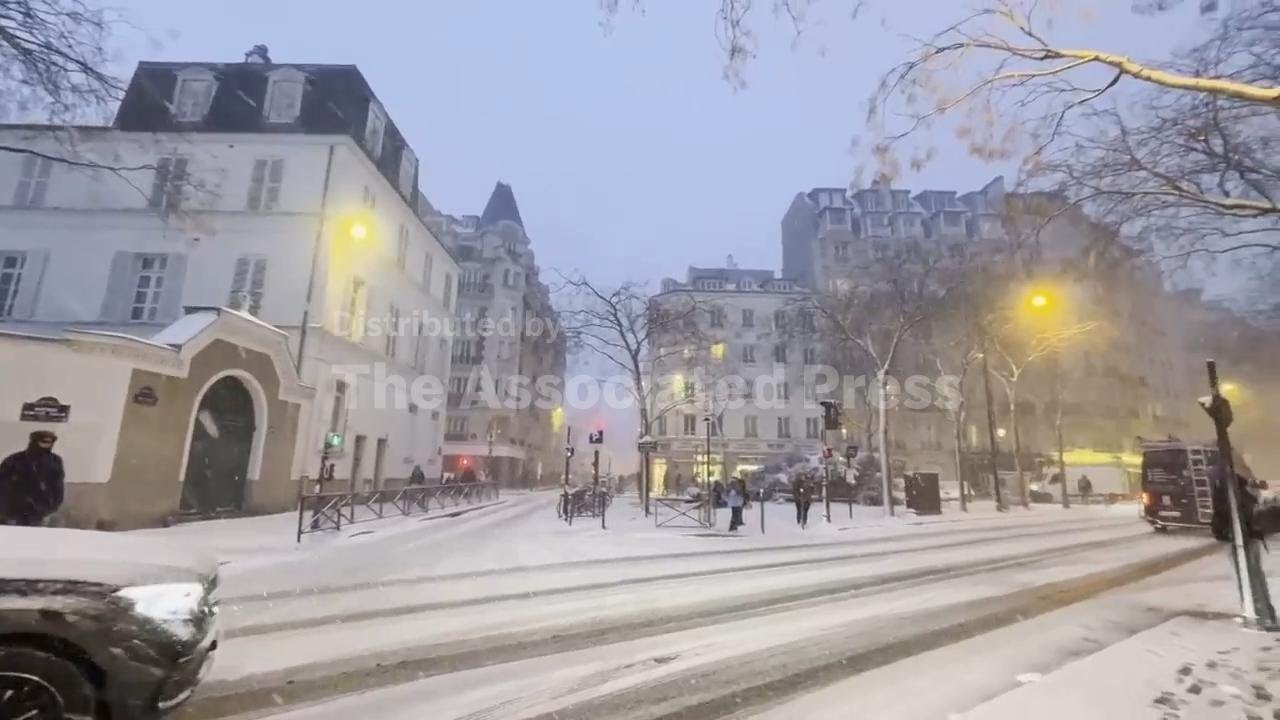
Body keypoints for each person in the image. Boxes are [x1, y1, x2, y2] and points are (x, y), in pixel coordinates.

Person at [0, 430, 65, 527]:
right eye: (44, 442)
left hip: (40, 510)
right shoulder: (15, 460)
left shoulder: (55, 461)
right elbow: (3, 484)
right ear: (34, 441)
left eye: (50, 442)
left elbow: (58, 485)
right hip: (13, 509)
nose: (47, 445)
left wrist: (53, 505)